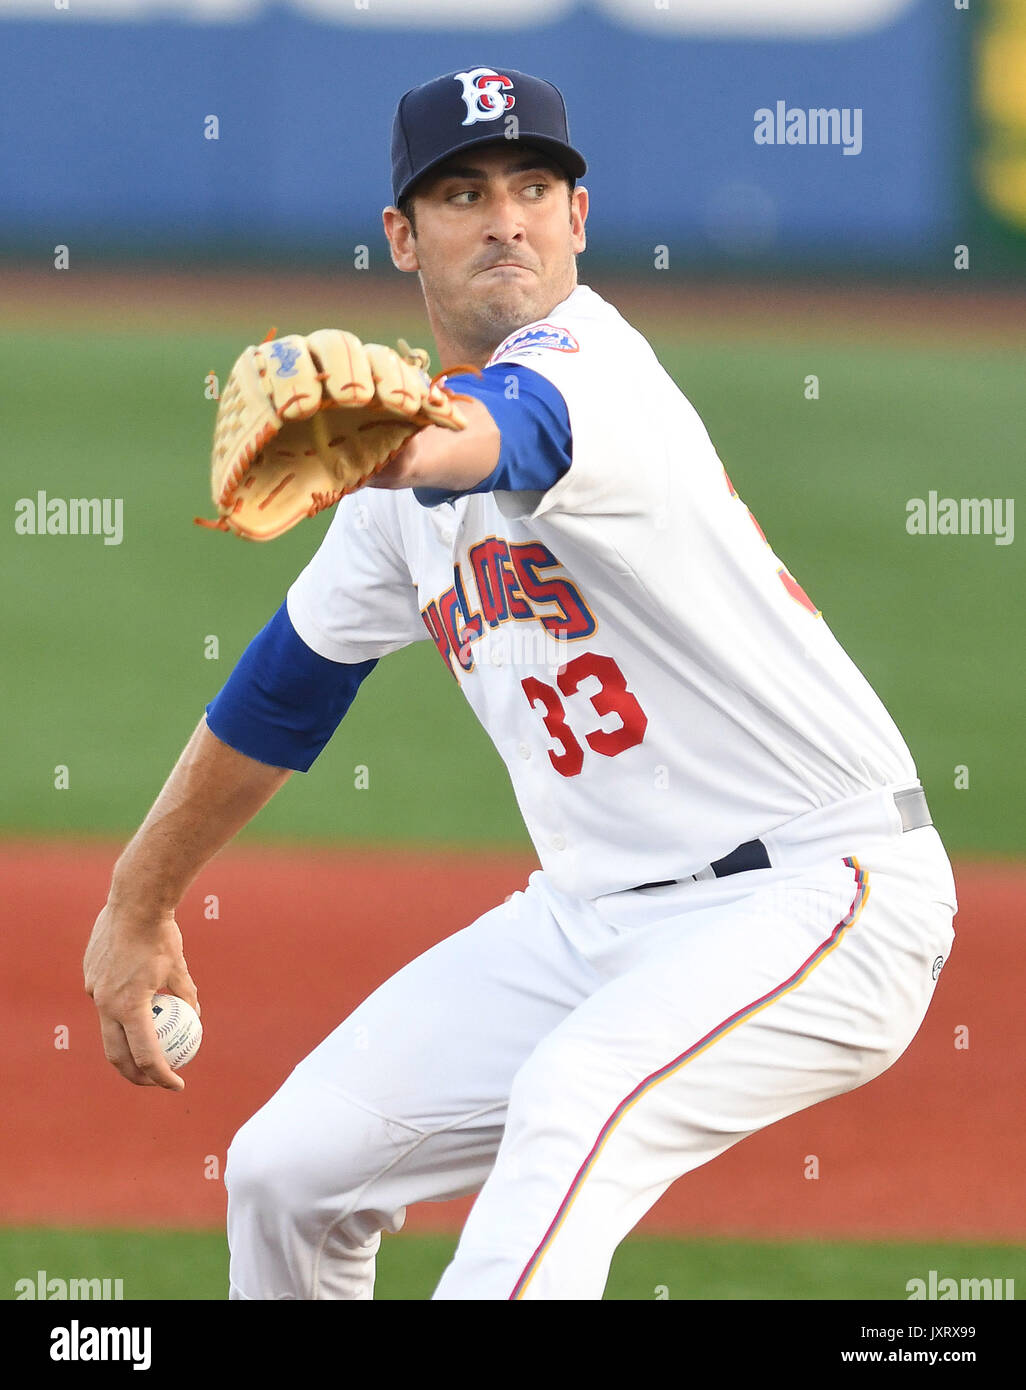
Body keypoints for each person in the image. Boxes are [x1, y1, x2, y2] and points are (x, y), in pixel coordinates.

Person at [83, 67, 958, 1301]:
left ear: (578, 218)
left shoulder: (595, 370)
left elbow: (504, 433)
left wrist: (394, 444)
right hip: (592, 920)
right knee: (287, 1170)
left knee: (576, 1097)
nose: (506, 217)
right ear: (402, 234)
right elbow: (285, 690)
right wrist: (138, 899)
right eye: (463, 193)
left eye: (534, 186)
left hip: (820, 891)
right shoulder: (391, 496)